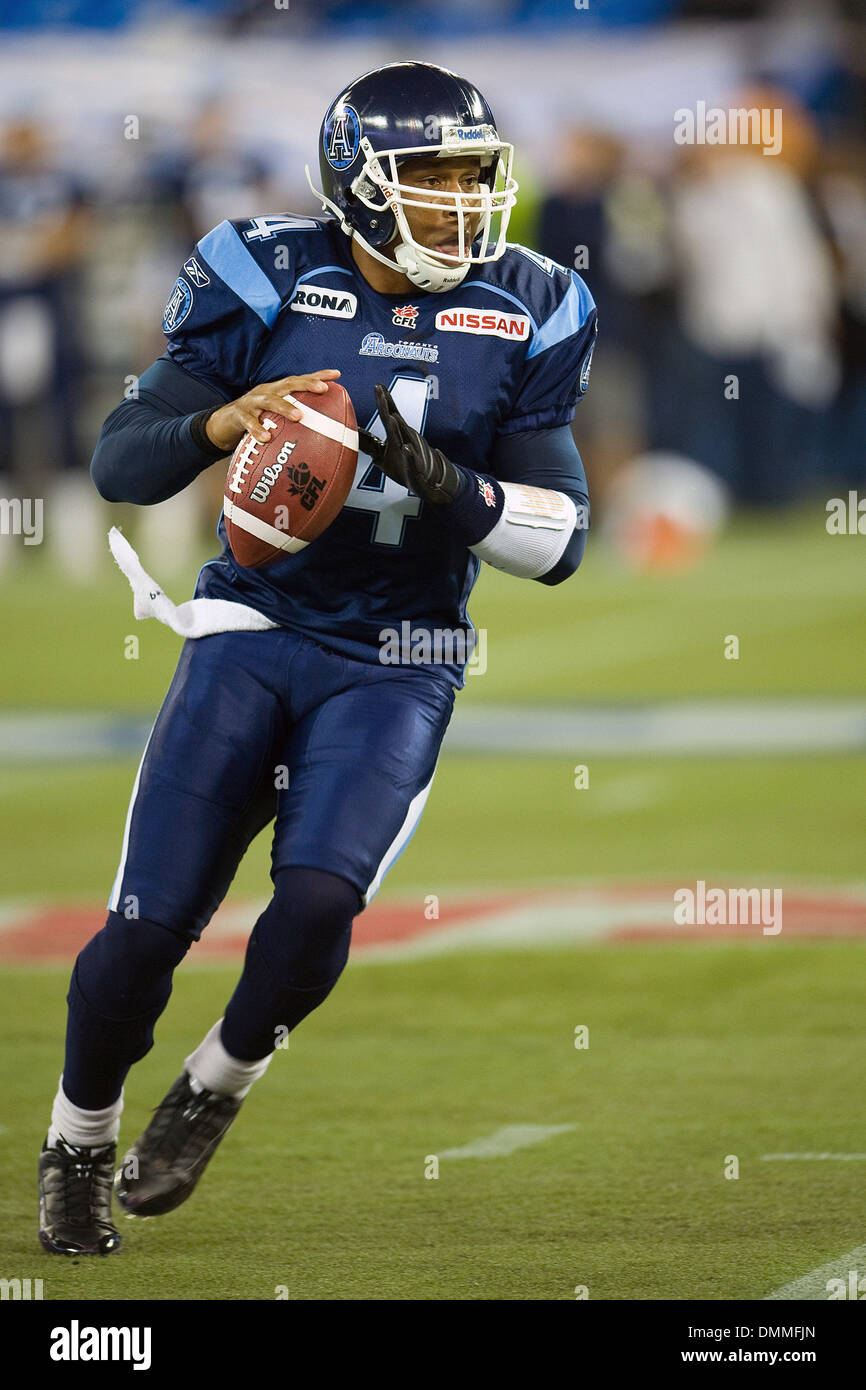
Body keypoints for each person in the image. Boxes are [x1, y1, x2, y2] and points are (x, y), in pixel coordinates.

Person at [37, 61, 597, 1257]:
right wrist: (218, 423)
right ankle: (78, 1138)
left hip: (402, 651)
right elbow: (122, 463)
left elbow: (559, 542)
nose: (460, 204)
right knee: (143, 930)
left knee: (318, 900)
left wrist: (450, 483)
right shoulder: (263, 268)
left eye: (470, 176)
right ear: (357, 184)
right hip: (252, 629)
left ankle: (216, 1083)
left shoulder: (531, 297)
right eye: (430, 179)